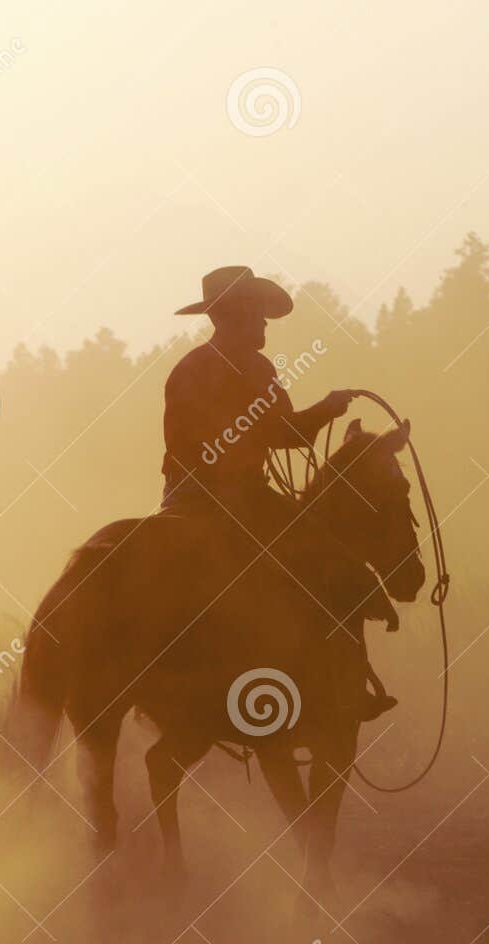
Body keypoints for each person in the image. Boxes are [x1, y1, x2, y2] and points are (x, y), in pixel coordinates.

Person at [162, 265, 396, 721]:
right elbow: (285, 434)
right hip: (237, 501)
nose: (265, 323)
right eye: (257, 313)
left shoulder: (192, 369)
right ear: (234, 315)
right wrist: (327, 409)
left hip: (183, 499)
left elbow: (197, 444)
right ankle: (336, 681)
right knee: (318, 550)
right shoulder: (252, 369)